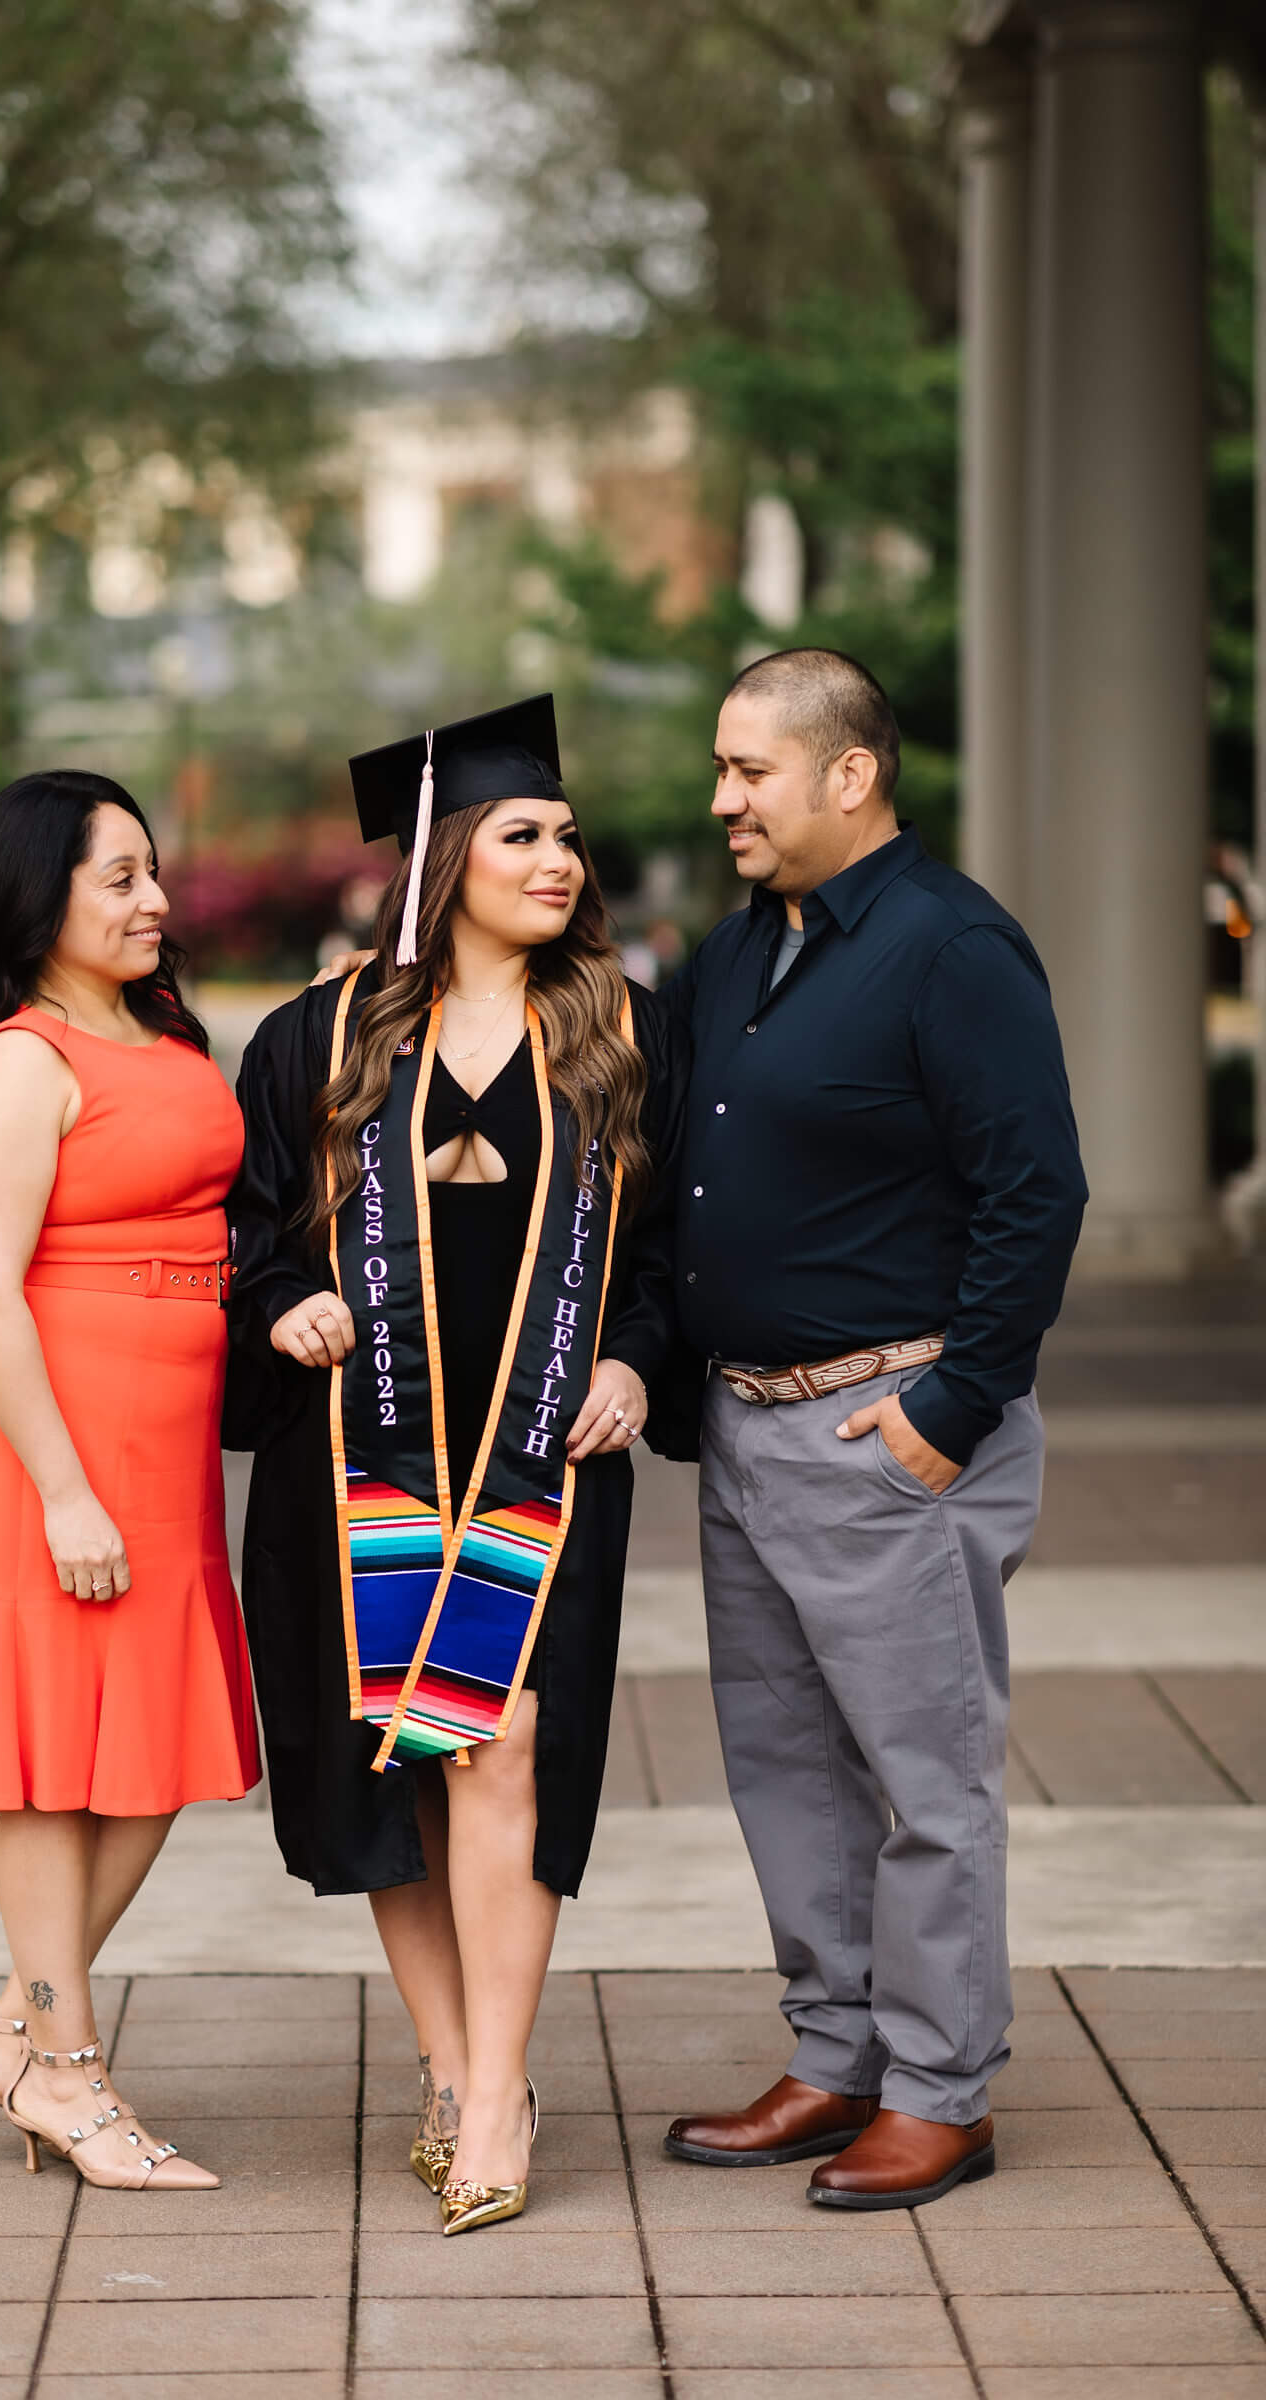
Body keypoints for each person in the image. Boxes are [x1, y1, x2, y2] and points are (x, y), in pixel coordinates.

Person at [227, 696, 683, 2235]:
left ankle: (500, 2092)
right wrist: (285, 1300)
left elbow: (679, 1250)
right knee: (400, 1767)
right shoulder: (323, 1036)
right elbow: (244, 1233)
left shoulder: (620, 1030)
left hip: (539, 1469)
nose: (560, 856)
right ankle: (449, 2063)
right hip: (355, 1461)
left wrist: (636, 1357)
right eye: (522, 833)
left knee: (504, 1749)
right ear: (444, 861)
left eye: (565, 834)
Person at [662, 649, 1087, 2211]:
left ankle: (941, 2090)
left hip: (887, 1434)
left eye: (750, 771)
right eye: (721, 769)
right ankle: (834, 2056)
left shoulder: (951, 948)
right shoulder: (735, 955)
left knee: (926, 1779)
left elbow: (1038, 1194)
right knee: (789, 1772)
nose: (723, 800)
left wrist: (947, 1414)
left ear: (852, 773)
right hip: (749, 1434)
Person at [0, 768, 259, 2190]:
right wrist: (63, 1490)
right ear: (33, 892)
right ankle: (67, 2073)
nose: (156, 900)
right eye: (117, 877)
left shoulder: (158, 1031)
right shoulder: (17, 1060)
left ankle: (13, 2033)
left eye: (153, 871)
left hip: (163, 1441)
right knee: (59, 1761)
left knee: (157, 1752)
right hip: (55, 1436)